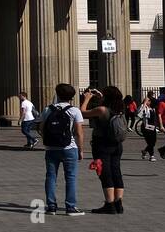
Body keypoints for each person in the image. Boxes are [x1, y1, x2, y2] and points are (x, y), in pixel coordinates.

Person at [40, 83, 85, 216]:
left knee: (51, 176)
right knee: (70, 177)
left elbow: (42, 128)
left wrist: (48, 140)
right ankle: (70, 207)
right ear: (71, 97)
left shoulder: (48, 109)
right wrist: (80, 149)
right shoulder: (74, 110)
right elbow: (79, 132)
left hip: (51, 148)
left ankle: (51, 206)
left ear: (57, 94)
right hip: (69, 147)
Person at [79, 85, 126, 214]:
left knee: (105, 173)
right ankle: (118, 202)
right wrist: (100, 96)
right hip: (117, 145)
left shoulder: (101, 110)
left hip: (102, 145)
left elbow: (82, 112)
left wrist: (87, 99)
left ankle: (109, 204)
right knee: (116, 171)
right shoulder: (120, 109)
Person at [137, 92, 160, 161]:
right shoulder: (144, 108)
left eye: (149, 101)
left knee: (153, 142)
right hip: (145, 127)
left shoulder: (153, 109)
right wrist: (144, 104)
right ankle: (151, 155)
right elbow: (139, 115)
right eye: (147, 100)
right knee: (150, 142)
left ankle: (144, 151)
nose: (149, 101)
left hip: (152, 127)